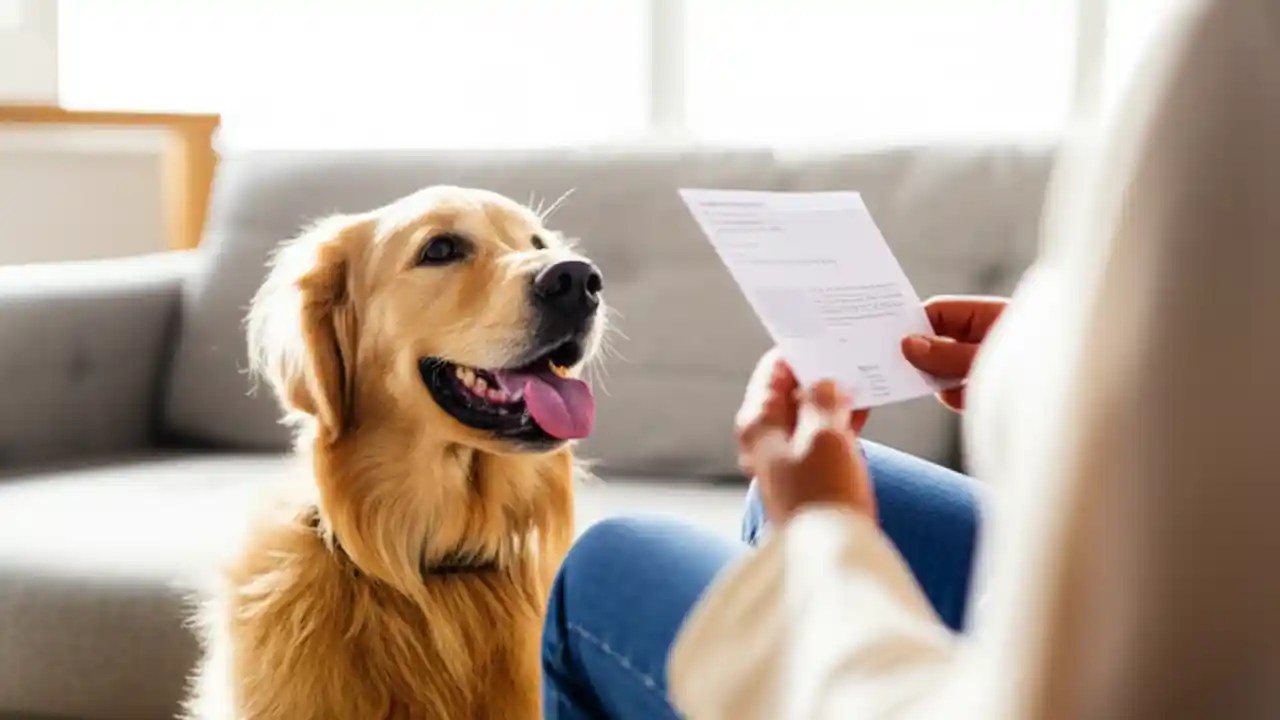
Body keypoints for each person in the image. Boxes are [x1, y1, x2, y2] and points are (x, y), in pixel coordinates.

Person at [543, 1, 1280, 717]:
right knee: (832, 480)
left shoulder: (1239, 56)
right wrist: (1043, 366)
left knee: (606, 565)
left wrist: (821, 532)